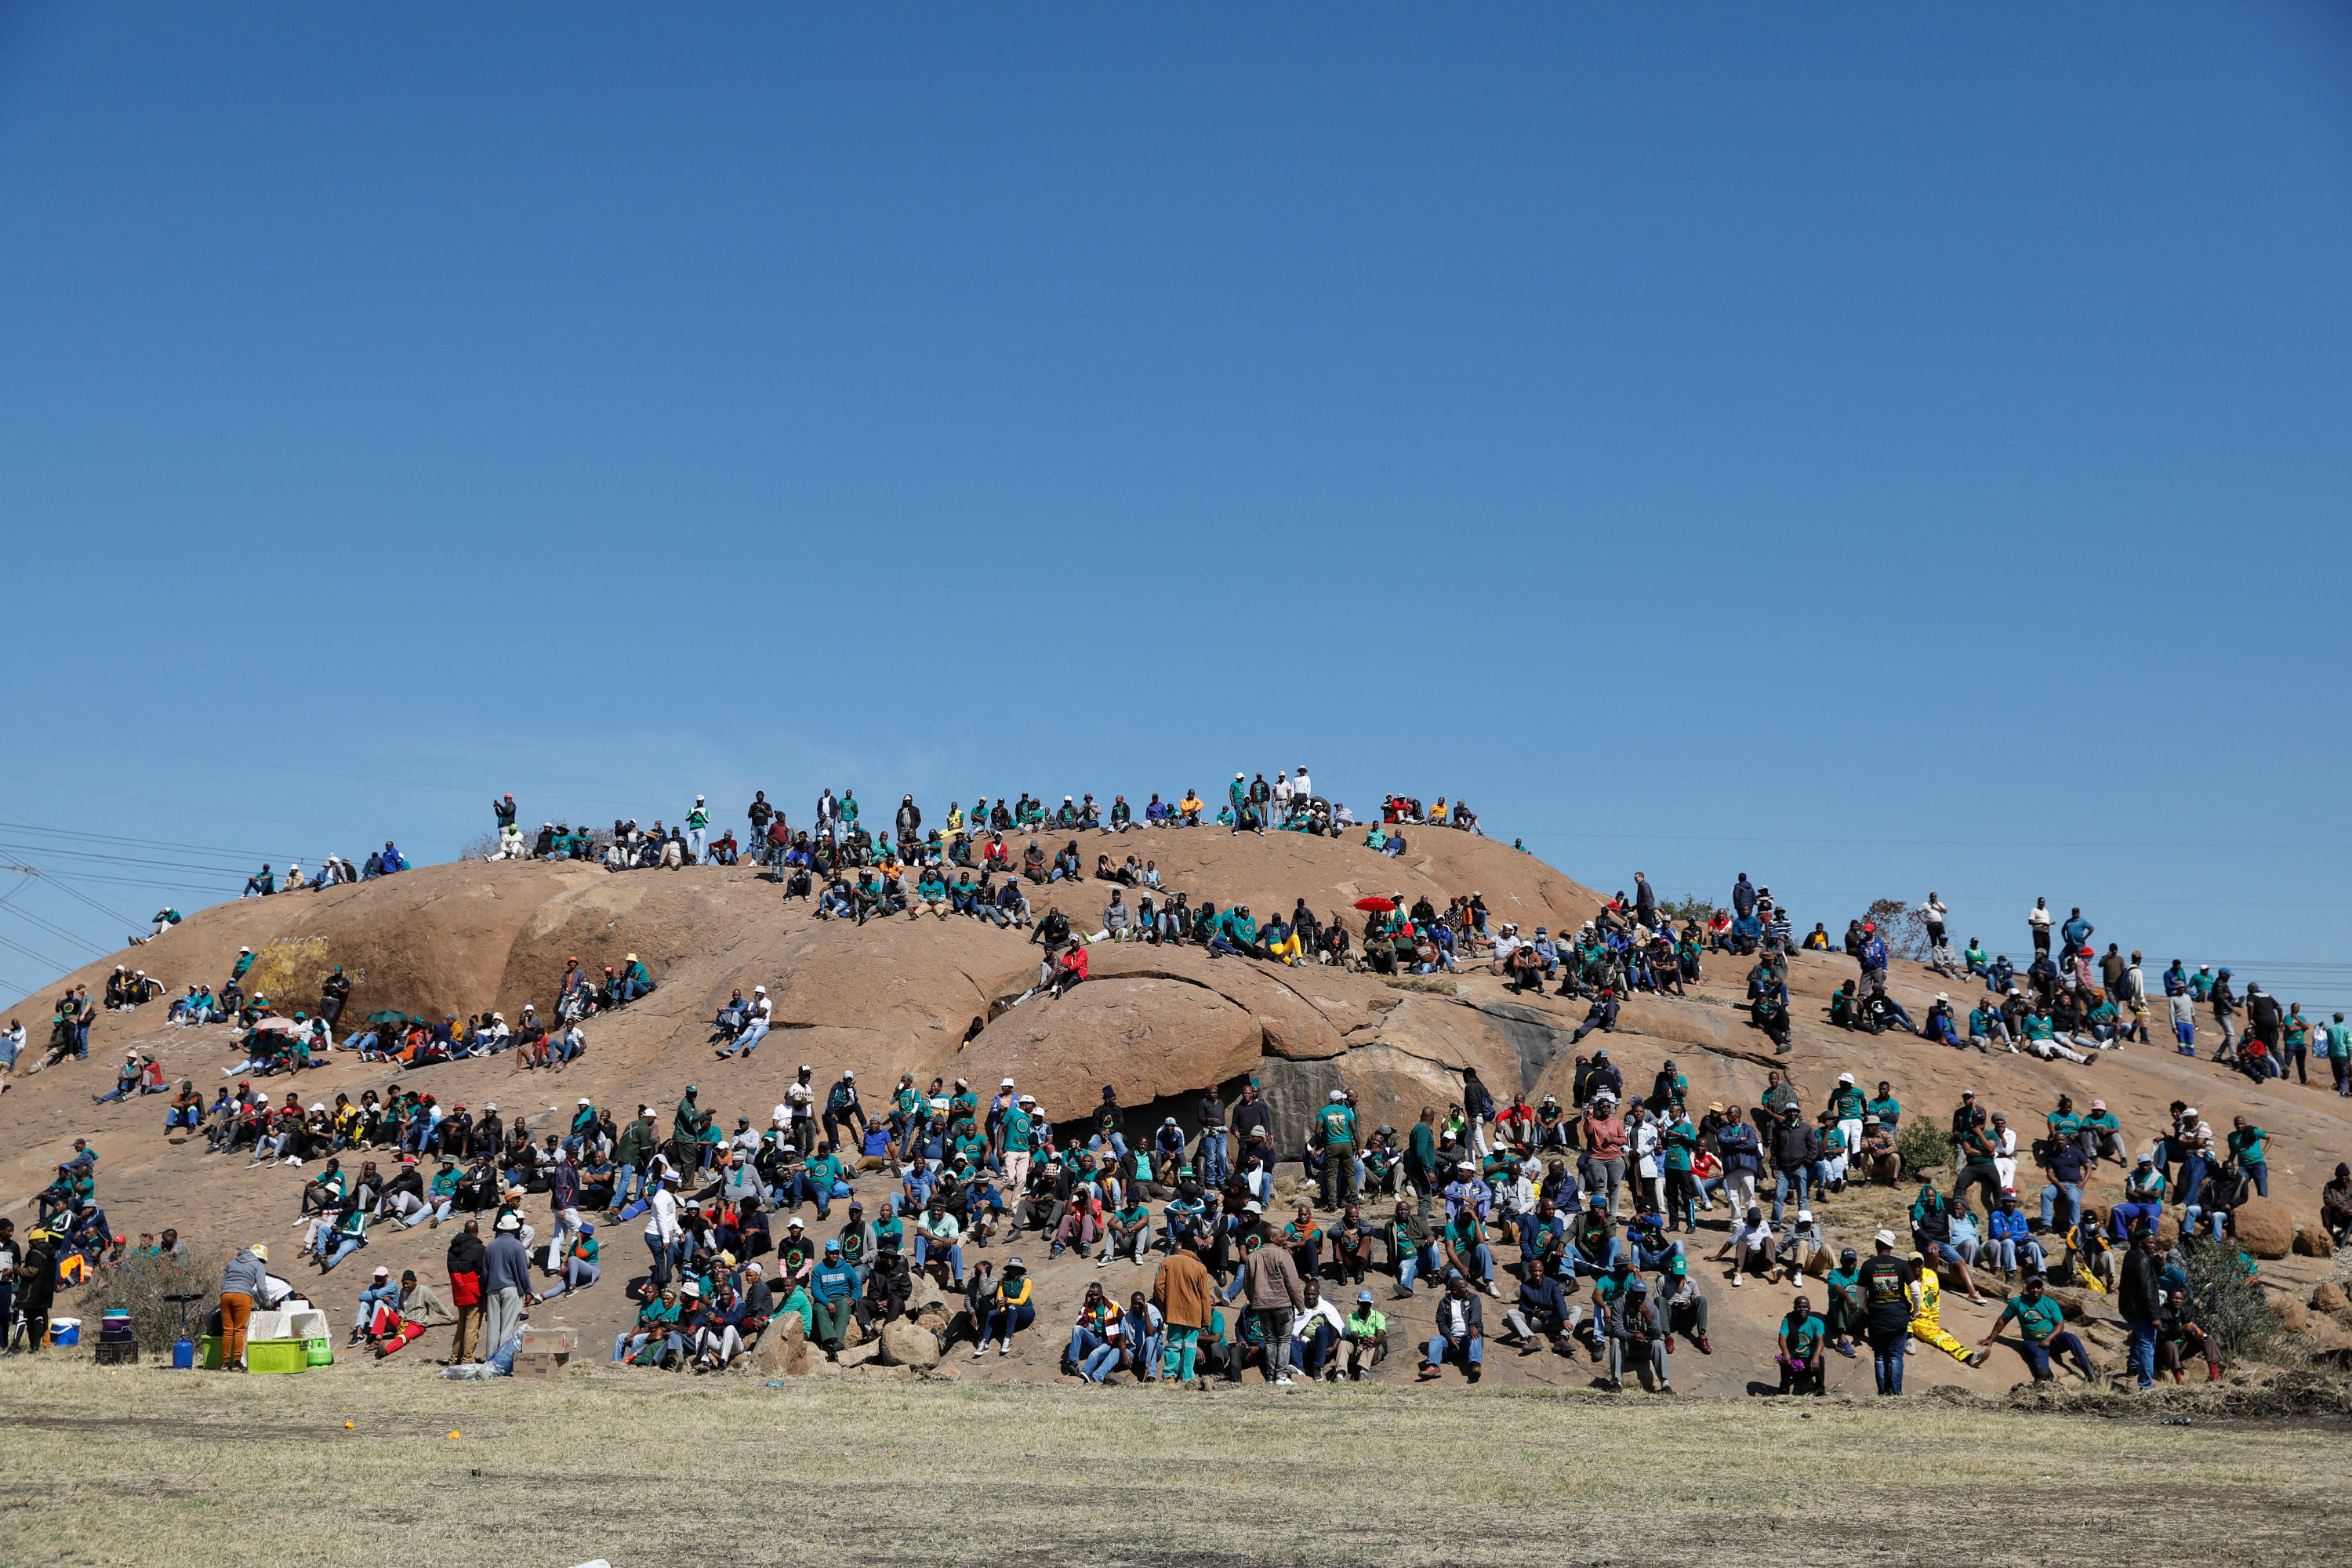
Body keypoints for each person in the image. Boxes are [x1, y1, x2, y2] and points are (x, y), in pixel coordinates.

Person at [1979, 1275, 2096, 1384]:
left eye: (2038, 1288)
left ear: (2042, 1289)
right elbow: (2003, 1320)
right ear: (2027, 1289)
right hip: (2033, 1342)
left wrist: (2048, 1340)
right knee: (2040, 1362)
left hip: (2053, 1340)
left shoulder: (2050, 1303)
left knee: (2071, 1338)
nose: (2035, 1290)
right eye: (2032, 1288)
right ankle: (2047, 1380)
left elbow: (2060, 1324)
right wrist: (1991, 1338)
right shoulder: (2017, 1302)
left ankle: (2089, 1372)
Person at [1857, 1230, 1917, 1396]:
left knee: (1880, 1357)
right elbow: (1915, 1290)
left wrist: (1868, 1309)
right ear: (1891, 1246)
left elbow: (1860, 1293)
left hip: (1877, 1318)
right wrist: (1916, 1310)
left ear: (1877, 1245)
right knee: (1896, 1357)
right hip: (1898, 1318)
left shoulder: (1868, 1265)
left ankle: (1882, 1393)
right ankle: (1896, 1393)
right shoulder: (1901, 1265)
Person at [1419, 1269, 1484, 1384]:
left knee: (1476, 1337)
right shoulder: (1444, 1303)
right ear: (1455, 1290)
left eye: (1467, 1286)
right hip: (1452, 1343)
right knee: (1435, 1339)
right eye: (1464, 1287)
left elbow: (1476, 1313)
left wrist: (1473, 1325)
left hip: (1468, 1341)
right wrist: (1449, 1337)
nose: (1467, 1289)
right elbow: (1441, 1323)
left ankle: (1475, 1366)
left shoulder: (1473, 1298)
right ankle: (1433, 1367)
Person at [216, 1243, 267, 1372]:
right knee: (239, 1330)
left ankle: (225, 1364)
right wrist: (267, 1302)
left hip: (226, 1296)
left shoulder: (233, 1263)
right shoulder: (257, 1265)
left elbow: (223, 1284)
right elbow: (261, 1288)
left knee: (228, 1330)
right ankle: (237, 1363)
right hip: (242, 1296)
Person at [1777, 1293, 1828, 1396]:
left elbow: (1820, 1340)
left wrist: (1816, 1356)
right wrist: (1786, 1352)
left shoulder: (1817, 1322)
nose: (1802, 1309)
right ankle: (1784, 1390)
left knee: (1820, 1359)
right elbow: (1782, 1337)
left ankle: (1820, 1390)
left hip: (1810, 1364)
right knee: (1784, 1358)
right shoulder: (1788, 1321)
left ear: (1809, 1309)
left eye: (1805, 1307)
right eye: (1799, 1307)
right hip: (1794, 1363)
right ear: (1794, 1308)